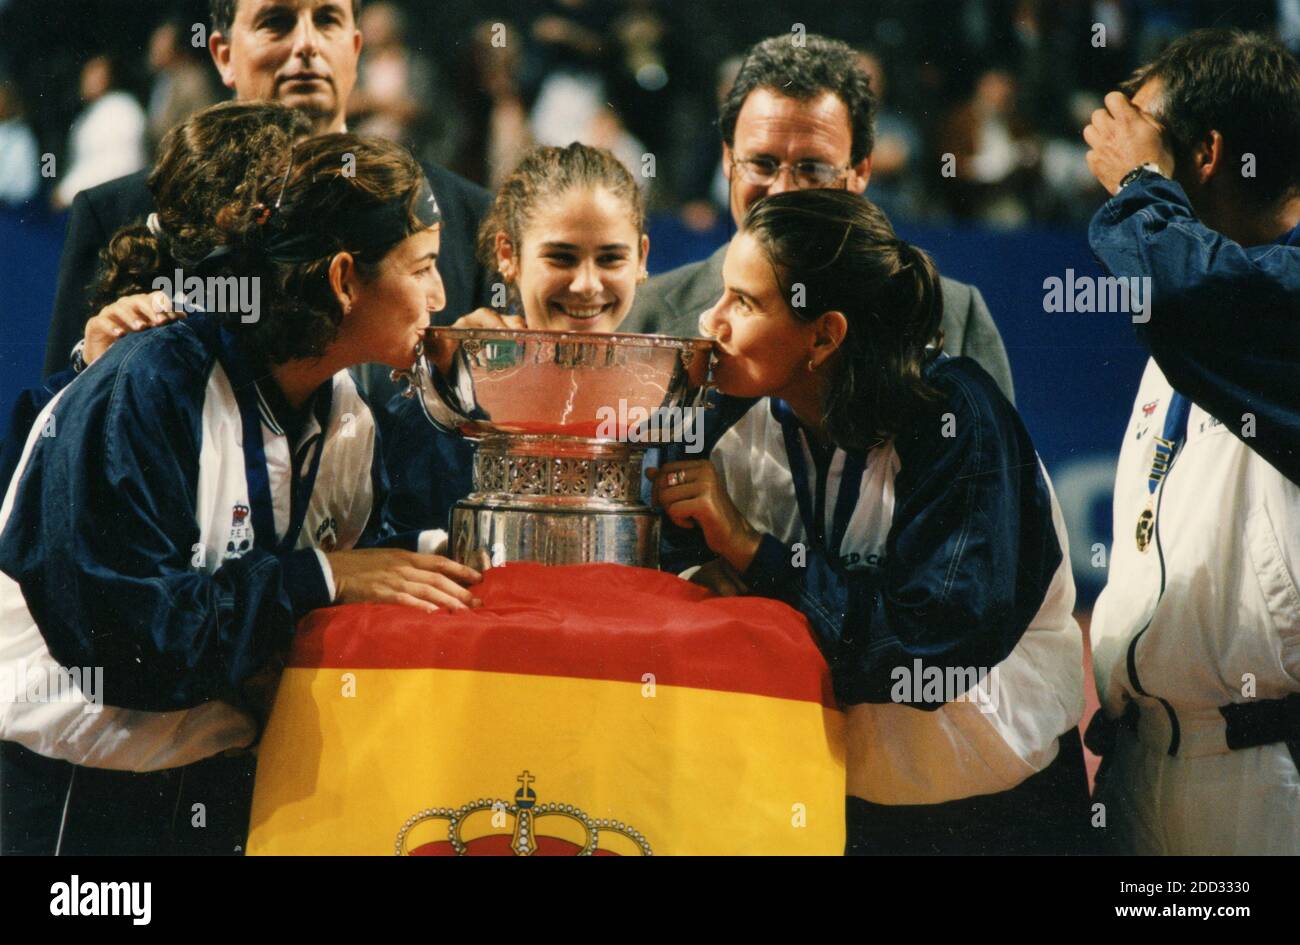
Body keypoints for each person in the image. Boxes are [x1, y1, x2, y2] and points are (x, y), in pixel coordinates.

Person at [0, 111, 482, 855]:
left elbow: (373, 571)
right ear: (344, 278)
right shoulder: (147, 387)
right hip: (79, 796)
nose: (440, 297)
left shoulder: (345, 413)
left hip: (227, 786)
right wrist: (318, 576)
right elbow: (130, 644)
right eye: (422, 267)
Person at [651, 189, 1089, 855]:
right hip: (841, 811)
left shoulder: (954, 418)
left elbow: (919, 649)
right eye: (721, 294)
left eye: (744, 301)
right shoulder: (736, 419)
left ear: (824, 334)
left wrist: (748, 548)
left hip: (999, 817)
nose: (713, 321)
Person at [43, 0, 492, 410]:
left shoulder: (465, 216)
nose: (306, 44)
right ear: (222, 54)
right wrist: (88, 369)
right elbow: (50, 437)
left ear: (356, 48)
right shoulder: (119, 214)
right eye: (276, 22)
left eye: (327, 20)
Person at [1082, 29, 1300, 855]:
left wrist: (1139, 184)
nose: (1111, 141)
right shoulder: (1200, 305)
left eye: (1142, 125)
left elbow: (1182, 292)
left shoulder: (1222, 299)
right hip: (1141, 761)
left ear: (1205, 152)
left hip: (1264, 777)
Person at [621, 33, 1017, 405]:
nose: (782, 191)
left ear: (861, 171)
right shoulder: (649, 316)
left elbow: (994, 470)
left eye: (813, 168)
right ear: (727, 159)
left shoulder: (951, 315)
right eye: (762, 163)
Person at [384, 141, 649, 534]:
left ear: (641, 259)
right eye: (561, 257)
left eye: (611, 258)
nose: (587, 284)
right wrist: (443, 384)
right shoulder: (450, 389)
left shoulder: (663, 398)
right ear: (508, 255)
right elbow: (400, 530)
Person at [51, 55, 147, 210]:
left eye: (94, 74)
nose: (86, 79)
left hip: (113, 206)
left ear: (111, 77)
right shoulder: (93, 112)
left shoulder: (122, 109)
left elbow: (117, 166)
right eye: (86, 73)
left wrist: (67, 192)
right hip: (91, 203)